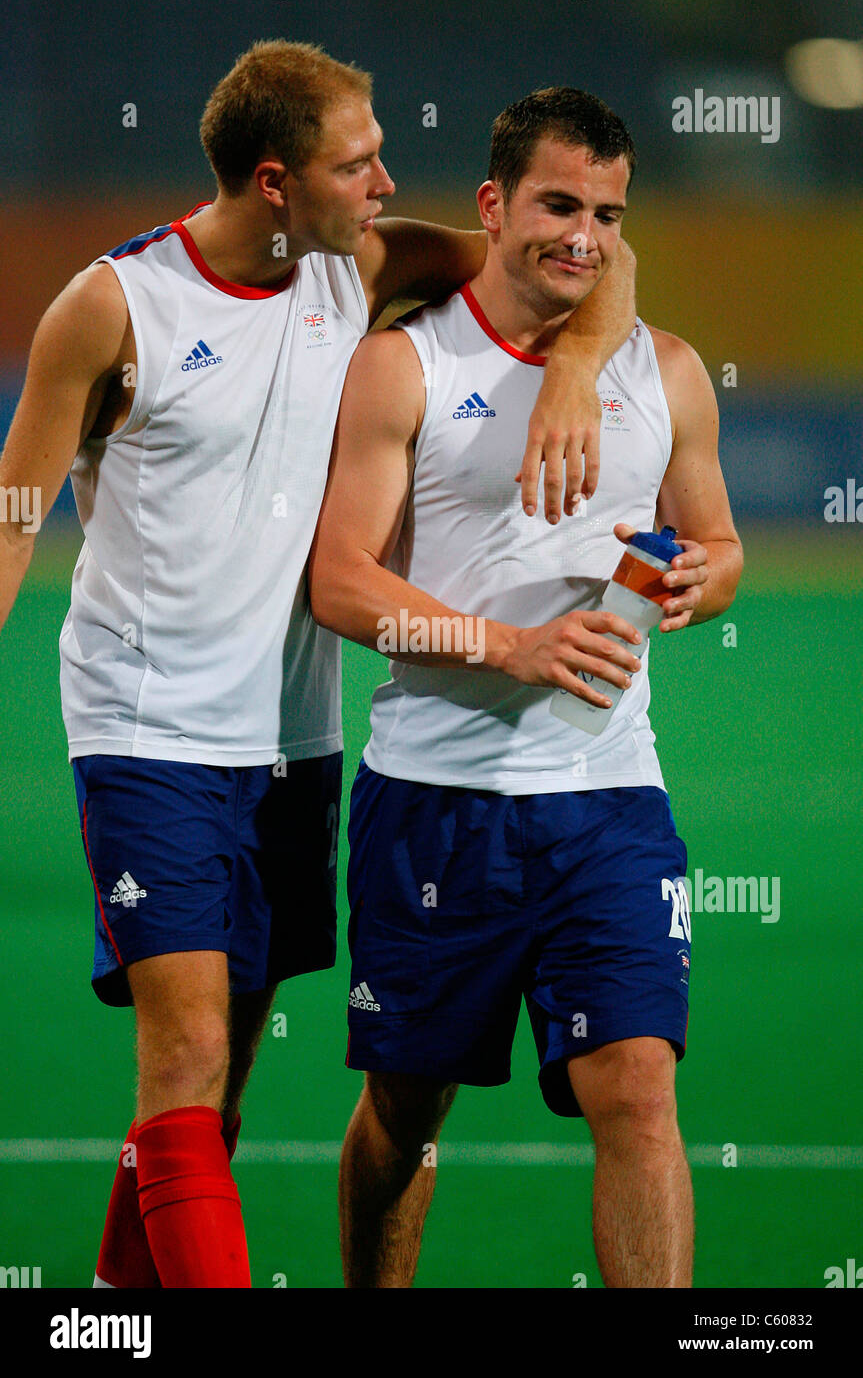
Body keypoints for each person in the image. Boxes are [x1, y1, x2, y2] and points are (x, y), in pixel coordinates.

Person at [0, 44, 635, 1289]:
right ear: (278, 181)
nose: (388, 180)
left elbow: (590, 263)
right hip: (146, 732)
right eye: (359, 163)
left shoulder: (362, 266)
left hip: (293, 743)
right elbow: (15, 506)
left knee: (211, 1101)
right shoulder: (113, 306)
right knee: (180, 1068)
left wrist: (567, 372)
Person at [309, 85, 743, 1288]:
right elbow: (342, 585)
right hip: (432, 803)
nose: (581, 237)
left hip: (606, 801)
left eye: (606, 212)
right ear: (493, 206)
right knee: (403, 1109)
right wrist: (510, 649)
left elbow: (720, 547)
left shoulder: (666, 370)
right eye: (557, 204)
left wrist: (699, 579)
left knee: (639, 1092)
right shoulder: (403, 365)